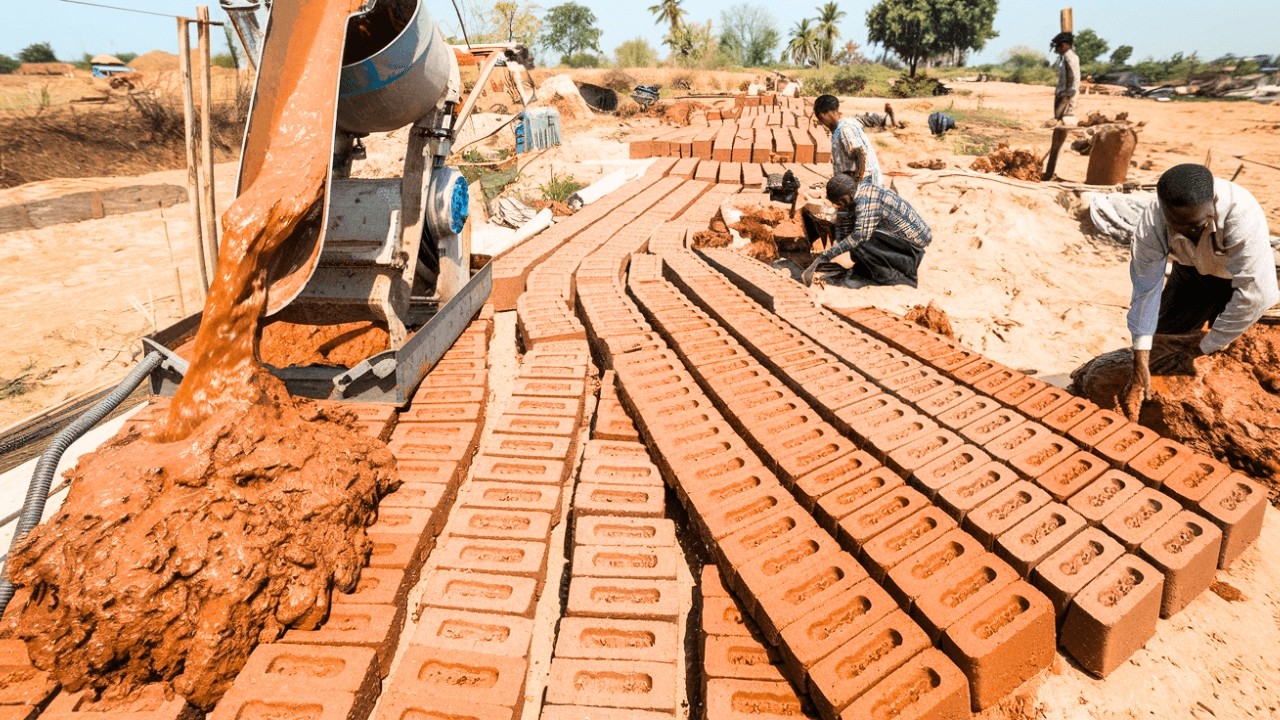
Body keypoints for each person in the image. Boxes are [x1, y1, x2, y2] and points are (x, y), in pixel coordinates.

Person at [1123, 163, 1280, 417]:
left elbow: (1257, 294)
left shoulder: (1241, 213)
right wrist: (1141, 360)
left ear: (1212, 204)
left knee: (1222, 355)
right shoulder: (1151, 223)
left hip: (1234, 281)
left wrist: (1203, 345)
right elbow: (1145, 290)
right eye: (1178, 225)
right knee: (1161, 349)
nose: (1189, 232)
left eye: (1197, 226)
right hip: (1190, 275)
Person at [801, 173, 932, 288]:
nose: (839, 206)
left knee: (859, 237)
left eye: (839, 203)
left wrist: (827, 255)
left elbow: (858, 237)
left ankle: (889, 274)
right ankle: (869, 267)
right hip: (910, 239)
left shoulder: (866, 204)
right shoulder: (863, 188)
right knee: (853, 225)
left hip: (911, 250)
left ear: (845, 198)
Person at [813, 94, 881, 186]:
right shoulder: (845, 124)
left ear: (826, 113)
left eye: (821, 118)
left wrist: (855, 182)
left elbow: (861, 154)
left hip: (865, 180)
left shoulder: (844, 129)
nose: (821, 122)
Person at [1051, 32, 1080, 122]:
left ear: (1063, 46)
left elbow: (1072, 76)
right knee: (1060, 117)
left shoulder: (1070, 57)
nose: (1056, 50)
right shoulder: (1065, 57)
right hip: (1064, 93)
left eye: (1057, 47)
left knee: (1067, 117)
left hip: (1067, 94)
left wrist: (1067, 93)